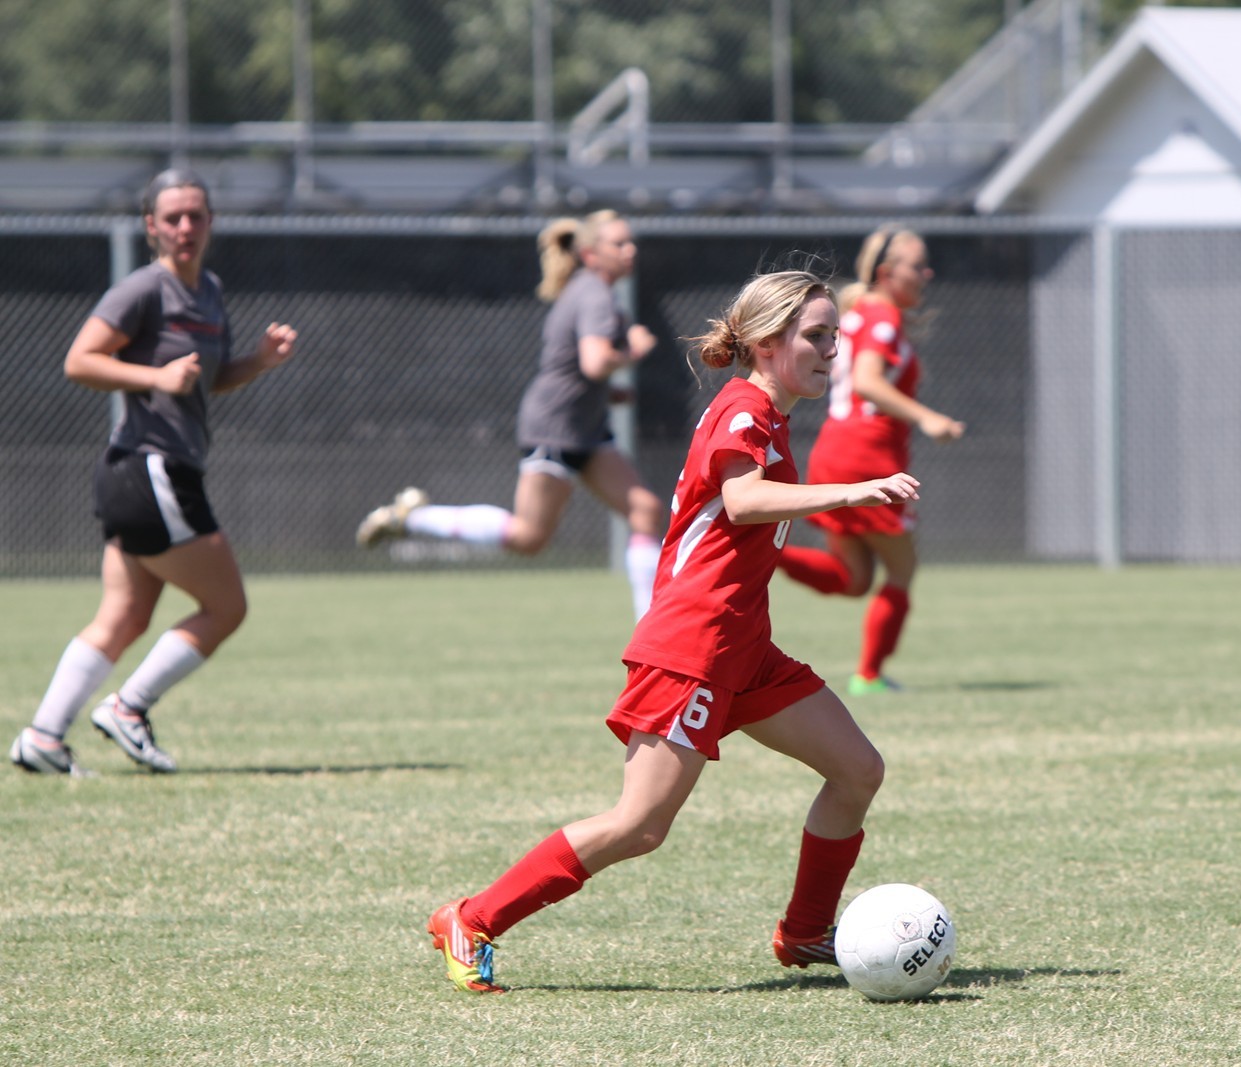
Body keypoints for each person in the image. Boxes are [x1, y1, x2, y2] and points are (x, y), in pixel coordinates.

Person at [426, 268, 920, 993]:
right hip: (694, 645)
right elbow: (744, 499)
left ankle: (806, 930)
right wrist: (851, 490)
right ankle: (471, 916)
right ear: (764, 340)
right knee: (640, 824)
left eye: (833, 336)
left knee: (857, 770)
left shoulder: (770, 414)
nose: (830, 350)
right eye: (816, 336)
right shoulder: (744, 411)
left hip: (743, 646)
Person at [8, 168, 299, 777]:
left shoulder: (209, 291)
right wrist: (155, 378)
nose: (186, 227)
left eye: (196, 215)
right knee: (227, 607)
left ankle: (42, 737)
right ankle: (129, 707)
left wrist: (258, 363)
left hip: (145, 475)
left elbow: (207, 381)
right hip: (150, 469)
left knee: (125, 617)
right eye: (173, 218)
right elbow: (80, 361)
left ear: (211, 223)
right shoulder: (144, 290)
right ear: (152, 228)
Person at [356, 210, 665, 620]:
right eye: (619, 244)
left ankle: (652, 629)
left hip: (586, 431)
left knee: (645, 509)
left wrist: (613, 389)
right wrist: (634, 353)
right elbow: (594, 362)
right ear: (591, 254)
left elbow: (580, 369)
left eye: (632, 243)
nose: (631, 251)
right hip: (556, 430)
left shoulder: (592, 291)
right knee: (527, 537)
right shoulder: (594, 294)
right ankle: (413, 518)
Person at [776, 226, 964, 695]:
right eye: (917, 266)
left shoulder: (860, 314)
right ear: (887, 272)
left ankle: (770, 553)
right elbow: (866, 381)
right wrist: (929, 419)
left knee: (855, 579)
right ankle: (869, 675)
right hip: (867, 456)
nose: (927, 273)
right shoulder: (882, 317)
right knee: (901, 570)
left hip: (835, 450)